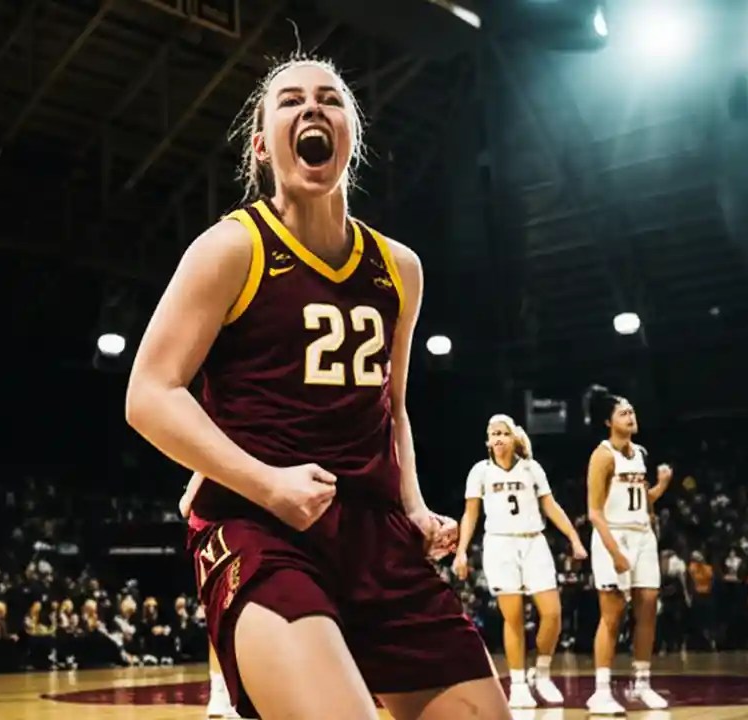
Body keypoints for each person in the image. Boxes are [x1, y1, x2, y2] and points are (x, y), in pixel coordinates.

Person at [127, 55, 510, 720]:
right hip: (257, 526)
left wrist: (413, 506)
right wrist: (266, 483)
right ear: (261, 144)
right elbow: (149, 395)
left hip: (377, 535)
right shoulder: (231, 249)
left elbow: (393, 409)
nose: (311, 109)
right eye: (290, 100)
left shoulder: (400, 269)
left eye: (330, 99)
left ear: (351, 134)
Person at [453, 415, 587, 708]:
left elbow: (550, 505)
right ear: (488, 441)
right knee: (512, 618)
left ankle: (542, 672)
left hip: (533, 540)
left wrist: (574, 538)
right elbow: (471, 514)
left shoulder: (531, 468)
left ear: (513, 438)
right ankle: (518, 684)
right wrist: (461, 551)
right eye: (493, 434)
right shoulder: (480, 472)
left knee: (552, 613)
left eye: (503, 433)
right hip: (500, 544)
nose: (498, 438)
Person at [585, 395, 672, 714]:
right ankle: (601, 691)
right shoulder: (602, 456)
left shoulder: (641, 454)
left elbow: (641, 500)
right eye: (623, 412)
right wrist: (615, 552)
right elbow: (594, 512)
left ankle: (642, 684)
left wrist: (661, 486)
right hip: (613, 534)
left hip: (642, 535)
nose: (630, 415)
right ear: (609, 422)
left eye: (632, 410)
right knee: (612, 615)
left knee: (648, 607)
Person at [179, 473, 240, 719]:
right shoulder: (215, 460)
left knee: (226, 619)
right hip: (215, 537)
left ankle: (224, 694)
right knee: (225, 618)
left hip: (223, 534)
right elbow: (184, 506)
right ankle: (222, 693)